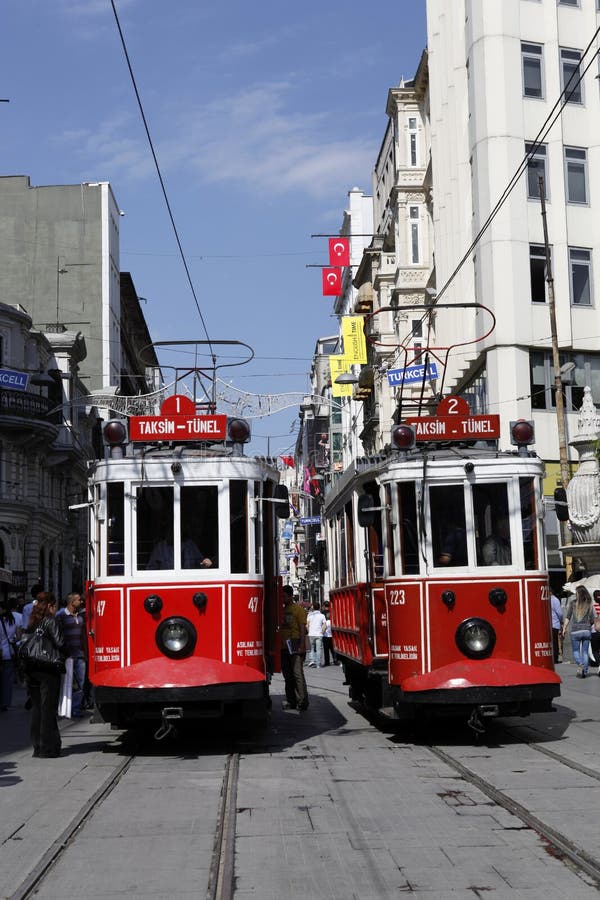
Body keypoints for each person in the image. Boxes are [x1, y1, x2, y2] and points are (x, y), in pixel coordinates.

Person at [24, 592, 66, 758]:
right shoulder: (51, 620)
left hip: (32, 668)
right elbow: (60, 643)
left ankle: (37, 746)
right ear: (50, 605)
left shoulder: (33, 621)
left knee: (37, 708)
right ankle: (48, 747)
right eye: (54, 606)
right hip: (48, 669)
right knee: (48, 708)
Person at [55, 592, 88, 717]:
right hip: (66, 656)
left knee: (80, 683)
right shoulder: (61, 615)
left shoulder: (80, 616)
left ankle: (75, 709)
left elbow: (83, 636)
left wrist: (85, 652)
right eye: (79, 600)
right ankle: (63, 709)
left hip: (79, 655)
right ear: (72, 602)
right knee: (65, 682)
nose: (81, 602)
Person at [279, 584, 308, 710]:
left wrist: (301, 645)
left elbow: (302, 628)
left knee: (297, 674)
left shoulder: (299, 610)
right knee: (287, 676)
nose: (282, 599)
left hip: (295, 644)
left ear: (290, 596)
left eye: (284, 596)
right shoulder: (281, 610)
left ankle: (302, 701)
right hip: (283, 646)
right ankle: (291, 700)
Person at [562, 585, 596, 678]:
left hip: (575, 631)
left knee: (576, 651)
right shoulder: (589, 603)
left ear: (578, 594)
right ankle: (584, 671)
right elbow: (593, 619)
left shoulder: (573, 603)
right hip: (586, 630)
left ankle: (580, 664)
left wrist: (564, 628)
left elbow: (568, 617)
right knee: (585, 652)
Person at [0, 594, 22, 711]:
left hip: (0, 653)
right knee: (7, 680)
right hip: (9, 653)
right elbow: (19, 636)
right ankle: (5, 703)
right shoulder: (13, 620)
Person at [147, 537, 212, 569]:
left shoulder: (190, 545)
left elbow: (200, 564)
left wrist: (206, 563)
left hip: (189, 584)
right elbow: (150, 570)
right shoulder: (160, 547)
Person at [306, 601, 326, 668]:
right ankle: (318, 664)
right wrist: (322, 632)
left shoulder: (309, 615)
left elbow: (307, 625)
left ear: (313, 608)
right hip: (319, 634)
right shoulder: (322, 615)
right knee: (319, 649)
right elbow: (324, 625)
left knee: (311, 648)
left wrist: (309, 631)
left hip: (311, 634)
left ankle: (312, 661)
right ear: (319, 607)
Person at [550, 591, 564, 664]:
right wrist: (562, 621)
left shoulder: (547, 600)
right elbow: (560, 613)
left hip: (549, 624)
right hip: (554, 624)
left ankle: (551, 657)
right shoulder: (555, 600)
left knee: (550, 642)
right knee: (555, 641)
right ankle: (555, 658)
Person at [590, 590, 600, 674]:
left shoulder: (592, 606)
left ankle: (599, 663)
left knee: (595, 650)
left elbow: (591, 619)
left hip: (594, 631)